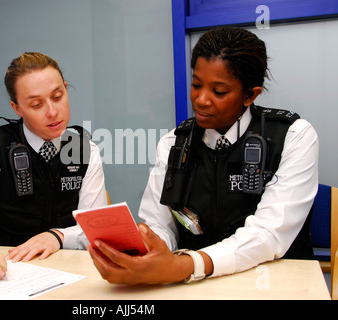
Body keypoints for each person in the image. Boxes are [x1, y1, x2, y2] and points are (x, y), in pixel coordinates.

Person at [87, 27, 319, 284]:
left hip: (274, 282)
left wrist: (185, 265)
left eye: (219, 92)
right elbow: (160, 225)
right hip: (194, 284)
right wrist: (150, 250)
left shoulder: (293, 136)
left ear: (250, 95)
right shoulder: (174, 143)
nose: (201, 100)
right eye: (196, 85)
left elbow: (268, 234)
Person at [0, 52, 107, 281]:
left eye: (58, 96)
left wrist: (57, 236)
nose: (52, 112)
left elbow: (94, 229)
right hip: (5, 270)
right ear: (17, 108)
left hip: (68, 272)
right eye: (36, 104)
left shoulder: (83, 148)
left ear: (66, 90)